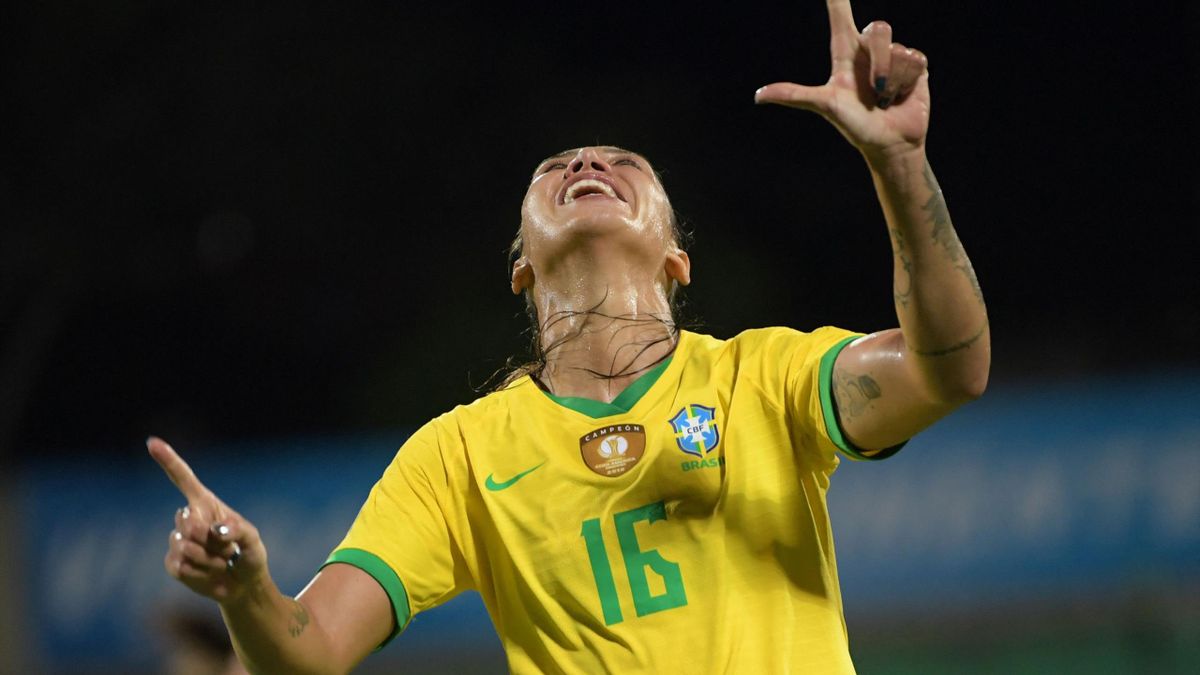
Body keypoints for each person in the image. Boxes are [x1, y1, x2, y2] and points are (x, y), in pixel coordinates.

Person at [149, 2, 990, 672]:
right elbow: (314, 649)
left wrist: (899, 164)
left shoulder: (764, 378)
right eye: (556, 168)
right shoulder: (458, 457)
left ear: (676, 257)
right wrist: (248, 590)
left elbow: (947, 368)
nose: (587, 163)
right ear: (520, 267)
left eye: (624, 162)